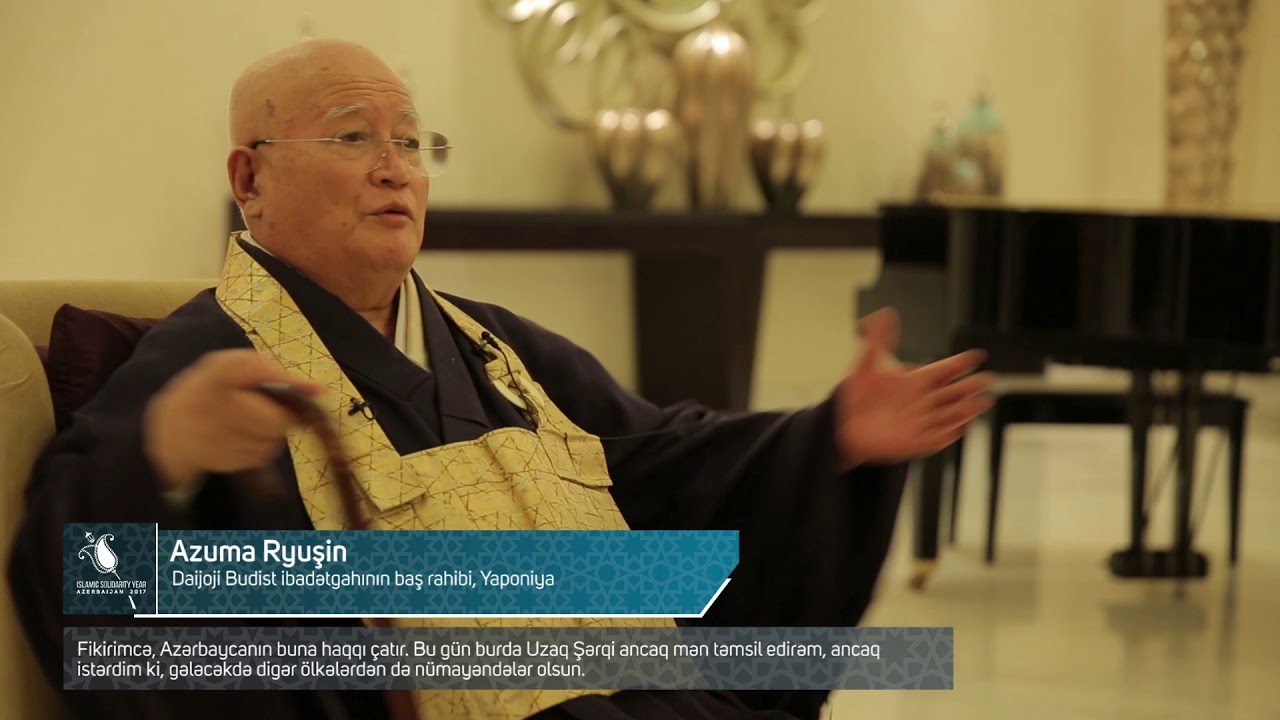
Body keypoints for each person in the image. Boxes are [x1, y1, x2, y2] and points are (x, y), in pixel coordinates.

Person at [8, 39, 992, 720]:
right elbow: (76, 561)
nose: (395, 167)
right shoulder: (201, 359)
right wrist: (157, 460)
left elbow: (661, 469)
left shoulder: (495, 346)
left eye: (410, 141)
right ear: (248, 179)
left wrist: (825, 440)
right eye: (353, 138)